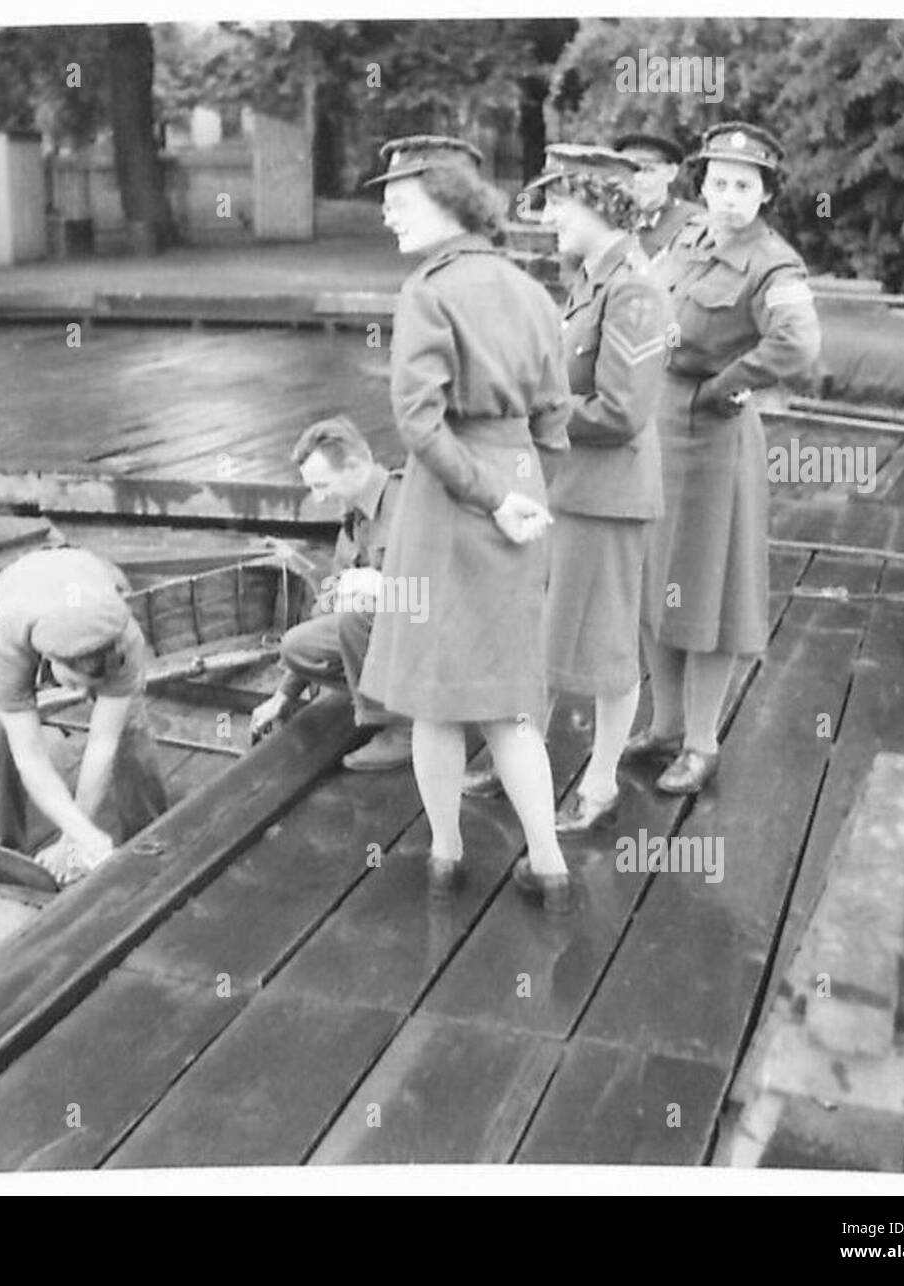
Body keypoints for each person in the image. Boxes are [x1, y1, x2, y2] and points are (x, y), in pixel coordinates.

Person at [358, 134, 577, 912]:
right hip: (518, 482)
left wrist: (486, 494)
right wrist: (521, 486)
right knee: (507, 694)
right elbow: (556, 415)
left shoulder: (428, 292)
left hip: (449, 499)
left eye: (402, 203)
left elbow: (419, 425)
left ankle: (446, 854)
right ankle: (548, 861)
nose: (389, 217)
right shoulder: (532, 290)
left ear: (451, 202)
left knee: (433, 691)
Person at [636, 121, 821, 794]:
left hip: (715, 434)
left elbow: (797, 344)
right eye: (719, 183)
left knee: (707, 593)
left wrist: (728, 383)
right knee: (654, 580)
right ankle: (662, 726)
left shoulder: (775, 262)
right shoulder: (687, 239)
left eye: (745, 186)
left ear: (766, 194)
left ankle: (701, 742)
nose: (730, 197)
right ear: (703, 187)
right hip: (660, 425)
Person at [518, 144, 669, 831]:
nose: (550, 216)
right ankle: (519, 757)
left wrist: (536, 411)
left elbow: (621, 411)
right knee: (543, 634)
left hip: (608, 497)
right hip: (572, 491)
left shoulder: (632, 287)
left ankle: (601, 782)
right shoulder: (591, 278)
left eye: (560, 203)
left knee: (607, 648)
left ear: (599, 206)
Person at [0, 546, 168, 882]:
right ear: (49, 660)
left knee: (130, 729)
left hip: (92, 582)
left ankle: (148, 836)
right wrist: (84, 834)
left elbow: (101, 746)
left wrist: (71, 841)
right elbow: (30, 758)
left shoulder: (125, 640)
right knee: (0, 735)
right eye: (73, 683)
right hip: (17, 599)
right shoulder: (8, 641)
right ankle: (4, 853)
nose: (79, 695)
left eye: (87, 688)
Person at [249, 416, 413, 771]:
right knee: (298, 645)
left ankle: (407, 727)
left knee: (358, 613)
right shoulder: (354, 522)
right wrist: (284, 693)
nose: (319, 498)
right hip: (396, 638)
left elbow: (446, 594)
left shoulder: (411, 504)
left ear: (354, 466)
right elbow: (328, 606)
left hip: (441, 639)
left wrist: (383, 589)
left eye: (323, 485)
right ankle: (376, 702)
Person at [613, 131, 703, 261]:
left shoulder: (693, 221)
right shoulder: (608, 219)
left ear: (671, 172)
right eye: (628, 170)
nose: (637, 179)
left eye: (648, 170)